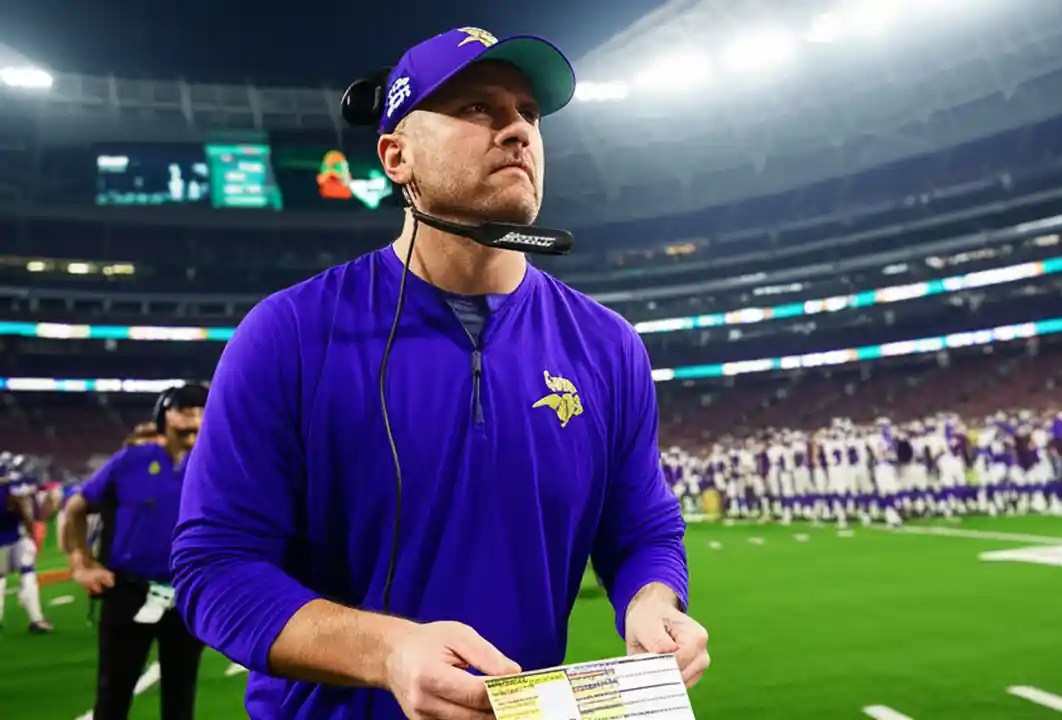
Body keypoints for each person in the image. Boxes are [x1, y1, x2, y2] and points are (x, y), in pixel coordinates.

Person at [170, 26, 709, 720]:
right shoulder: (288, 334)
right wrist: (389, 651)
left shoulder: (608, 346)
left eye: (528, 113)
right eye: (477, 109)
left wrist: (651, 602)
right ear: (396, 155)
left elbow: (642, 530)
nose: (516, 130)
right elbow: (215, 569)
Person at [62, 382, 209, 720]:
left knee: (181, 698)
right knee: (113, 694)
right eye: (186, 411)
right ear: (164, 416)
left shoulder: (216, 466)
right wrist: (80, 562)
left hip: (187, 595)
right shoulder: (132, 460)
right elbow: (75, 509)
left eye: (202, 411)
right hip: (129, 591)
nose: (196, 420)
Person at [0, 453, 54, 634]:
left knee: (0, 578)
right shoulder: (14, 487)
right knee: (28, 574)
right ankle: (36, 619)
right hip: (15, 537)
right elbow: (25, 511)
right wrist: (32, 532)